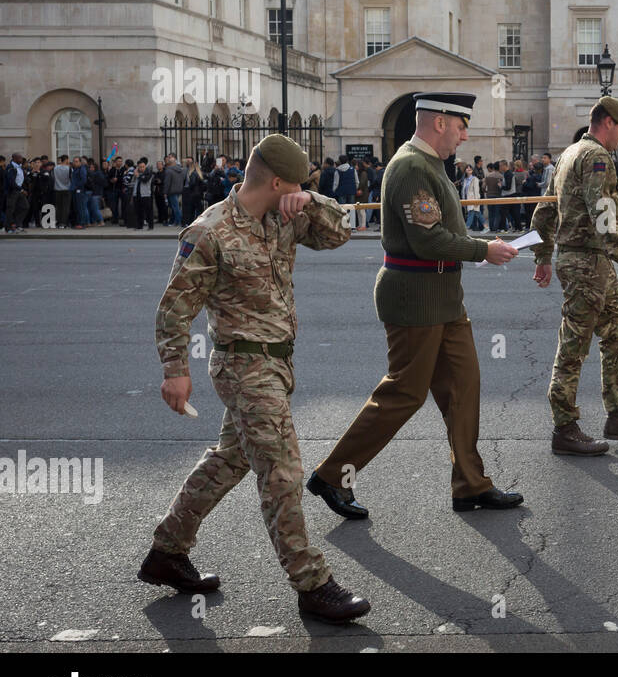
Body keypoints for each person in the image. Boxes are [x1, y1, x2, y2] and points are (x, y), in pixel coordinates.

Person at [142, 134, 369, 624]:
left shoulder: (284, 213)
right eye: (301, 182)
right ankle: (313, 584)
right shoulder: (210, 231)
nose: (305, 189)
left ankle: (167, 550)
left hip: (278, 362)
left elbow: (341, 230)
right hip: (243, 367)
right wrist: (174, 372)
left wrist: (311, 198)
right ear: (276, 180)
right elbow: (173, 310)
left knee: (230, 460)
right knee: (282, 473)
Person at [310, 93, 522, 518]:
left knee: (463, 389)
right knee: (404, 393)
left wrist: (476, 251)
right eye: (461, 126)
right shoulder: (410, 166)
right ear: (439, 122)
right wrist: (484, 250)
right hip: (415, 296)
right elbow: (428, 240)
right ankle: (334, 476)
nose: (465, 135)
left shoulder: (430, 166)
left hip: (443, 296)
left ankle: (470, 484)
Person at [531, 96, 618, 456]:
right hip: (586, 262)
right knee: (574, 344)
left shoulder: (569, 155)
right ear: (607, 123)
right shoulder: (597, 157)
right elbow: (603, 216)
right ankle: (564, 427)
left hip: (588, 261)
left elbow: (545, 209)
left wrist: (542, 256)